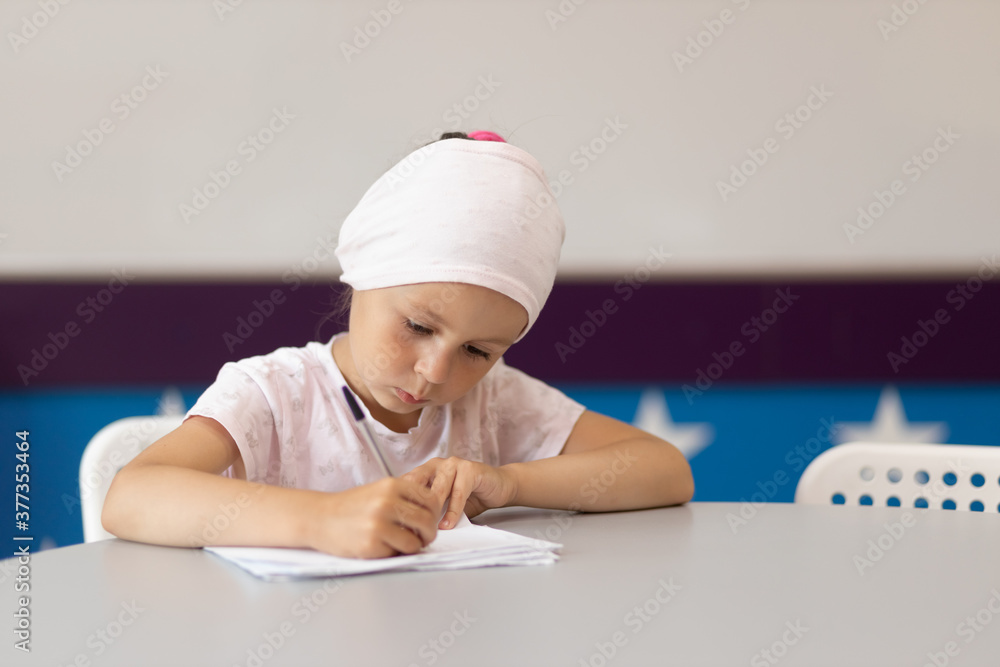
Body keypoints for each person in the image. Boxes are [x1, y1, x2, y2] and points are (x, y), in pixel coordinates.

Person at [102, 131, 694, 559]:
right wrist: (320, 520)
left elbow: (666, 471)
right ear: (362, 276)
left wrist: (512, 484)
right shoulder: (276, 394)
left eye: (478, 352)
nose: (437, 371)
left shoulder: (495, 402)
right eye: (417, 326)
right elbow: (131, 496)